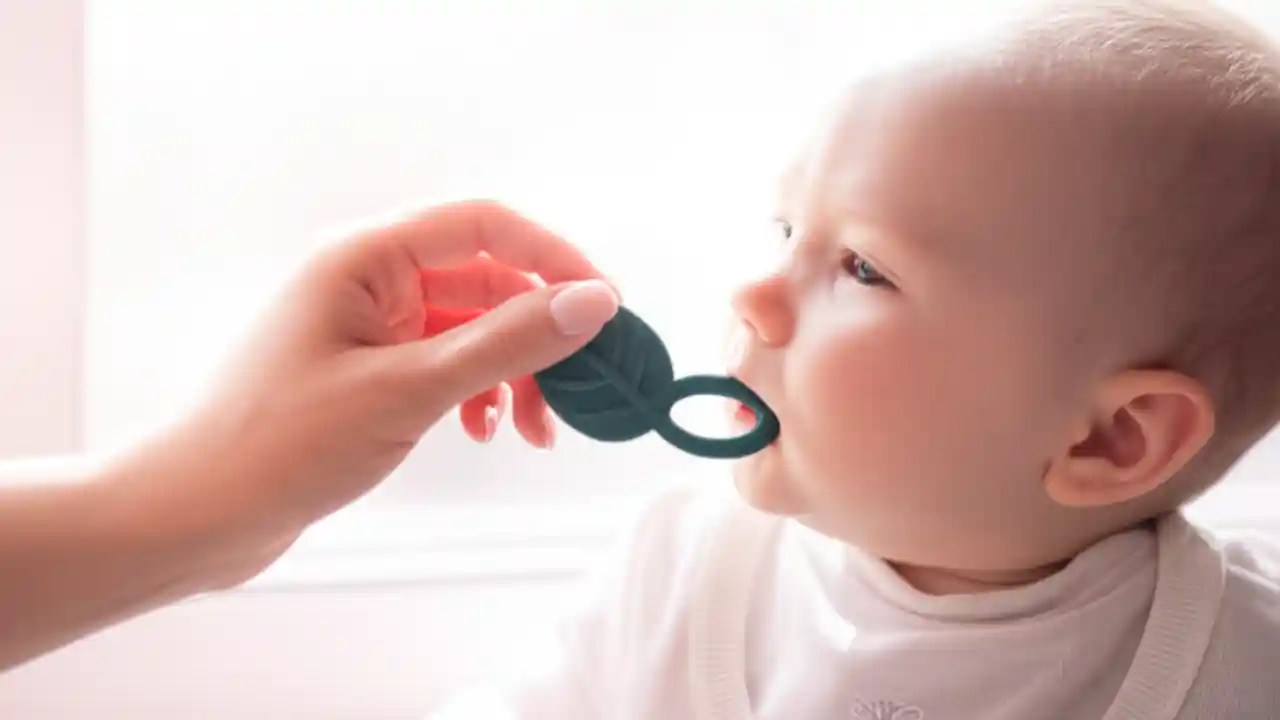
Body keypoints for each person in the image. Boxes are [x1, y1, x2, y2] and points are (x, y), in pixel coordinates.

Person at [432, 1, 1280, 718]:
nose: (752, 295)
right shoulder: (679, 578)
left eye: (863, 269)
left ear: (1113, 440)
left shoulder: (1246, 663)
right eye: (788, 232)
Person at [0, 200, 621, 671]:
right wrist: (211, 493)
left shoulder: (666, 554)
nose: (726, 294)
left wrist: (211, 501)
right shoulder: (664, 571)